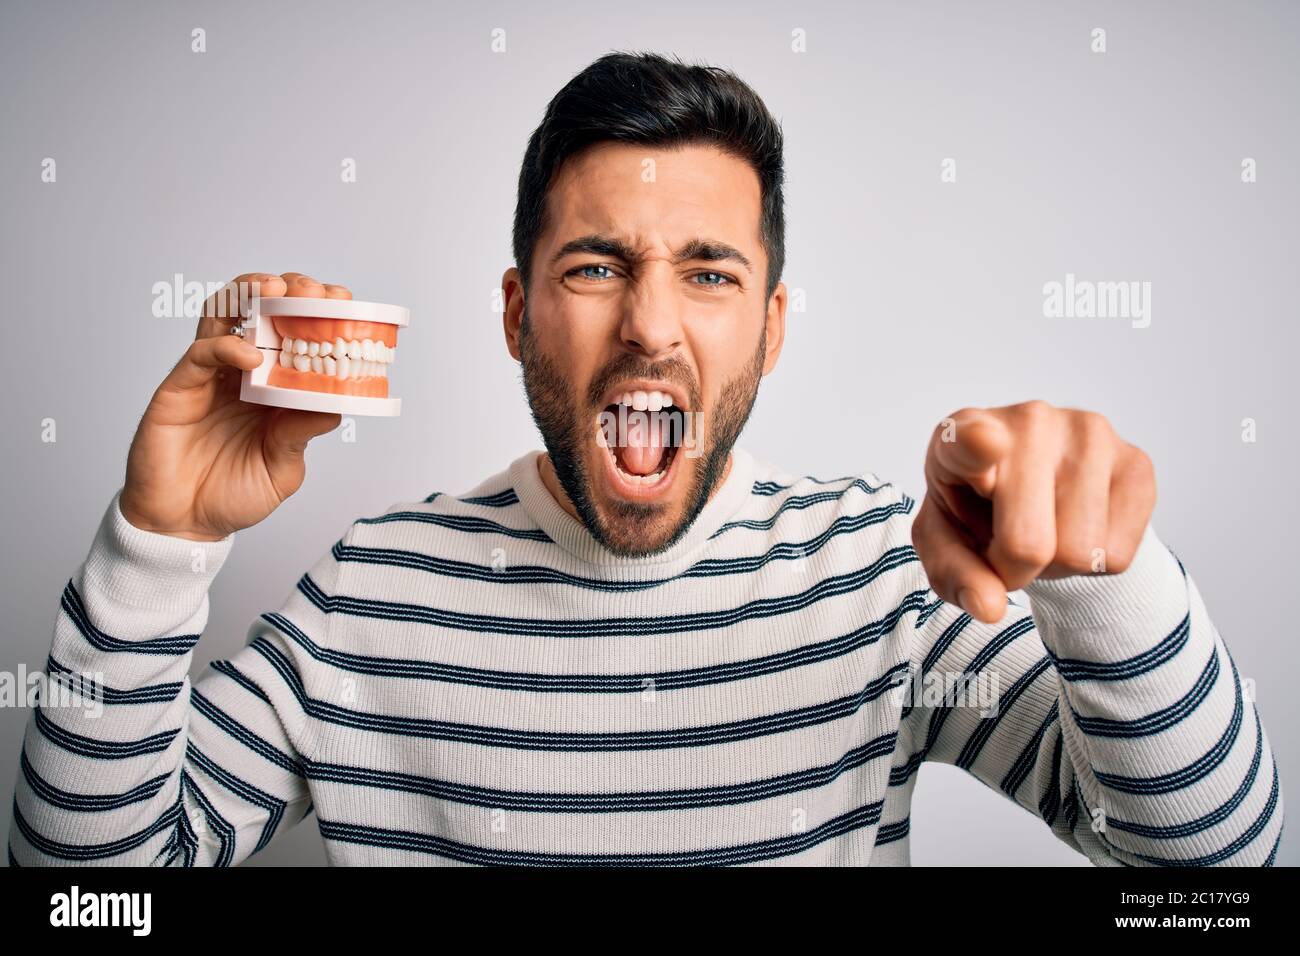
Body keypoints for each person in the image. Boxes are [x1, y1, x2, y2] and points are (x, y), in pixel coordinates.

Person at [9, 52, 1282, 866]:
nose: (652, 325)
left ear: (771, 327)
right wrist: (155, 545)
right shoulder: (371, 593)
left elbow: (1210, 876)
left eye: (710, 273)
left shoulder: (876, 577)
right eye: (596, 266)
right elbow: (90, 904)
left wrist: (1104, 582)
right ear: (517, 313)